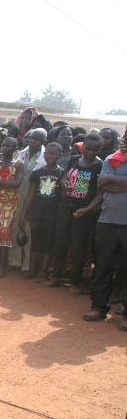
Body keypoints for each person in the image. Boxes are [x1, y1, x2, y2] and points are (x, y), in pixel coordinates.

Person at [82, 131, 127, 328]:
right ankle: (99, 307)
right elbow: (101, 183)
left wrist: (112, 181)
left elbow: (107, 182)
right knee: (103, 266)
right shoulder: (111, 159)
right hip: (107, 221)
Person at [49, 134, 102, 290]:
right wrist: (65, 183)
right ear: (82, 145)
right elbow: (65, 177)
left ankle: (74, 282)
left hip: (84, 212)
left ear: (100, 149)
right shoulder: (74, 160)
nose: (90, 152)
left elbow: (101, 193)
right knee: (60, 242)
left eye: (95, 149)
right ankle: (56, 276)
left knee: (79, 246)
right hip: (66, 206)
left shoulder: (101, 166)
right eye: (88, 148)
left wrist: (87, 209)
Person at [18, 142, 63, 281]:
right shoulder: (37, 173)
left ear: (59, 156)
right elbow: (30, 195)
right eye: (48, 153)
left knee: (47, 244)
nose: (50, 156)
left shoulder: (62, 173)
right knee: (35, 242)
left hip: (52, 215)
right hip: (36, 214)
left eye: (54, 153)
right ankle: (32, 271)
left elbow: (62, 197)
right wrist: (23, 215)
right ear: (44, 154)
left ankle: (43, 273)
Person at [10, 128, 47, 271]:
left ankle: (26, 265)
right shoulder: (20, 154)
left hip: (33, 199)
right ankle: (14, 260)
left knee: (29, 231)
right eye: (31, 138)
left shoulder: (45, 157)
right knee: (15, 229)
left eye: (37, 139)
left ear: (43, 141)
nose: (32, 141)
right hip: (16, 195)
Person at [0, 137, 24, 278]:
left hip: (9, 204)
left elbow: (17, 183)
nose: (5, 148)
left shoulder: (18, 165)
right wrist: (2, 184)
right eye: (4, 145)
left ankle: (2, 266)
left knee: (5, 232)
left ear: (15, 149)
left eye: (9, 146)